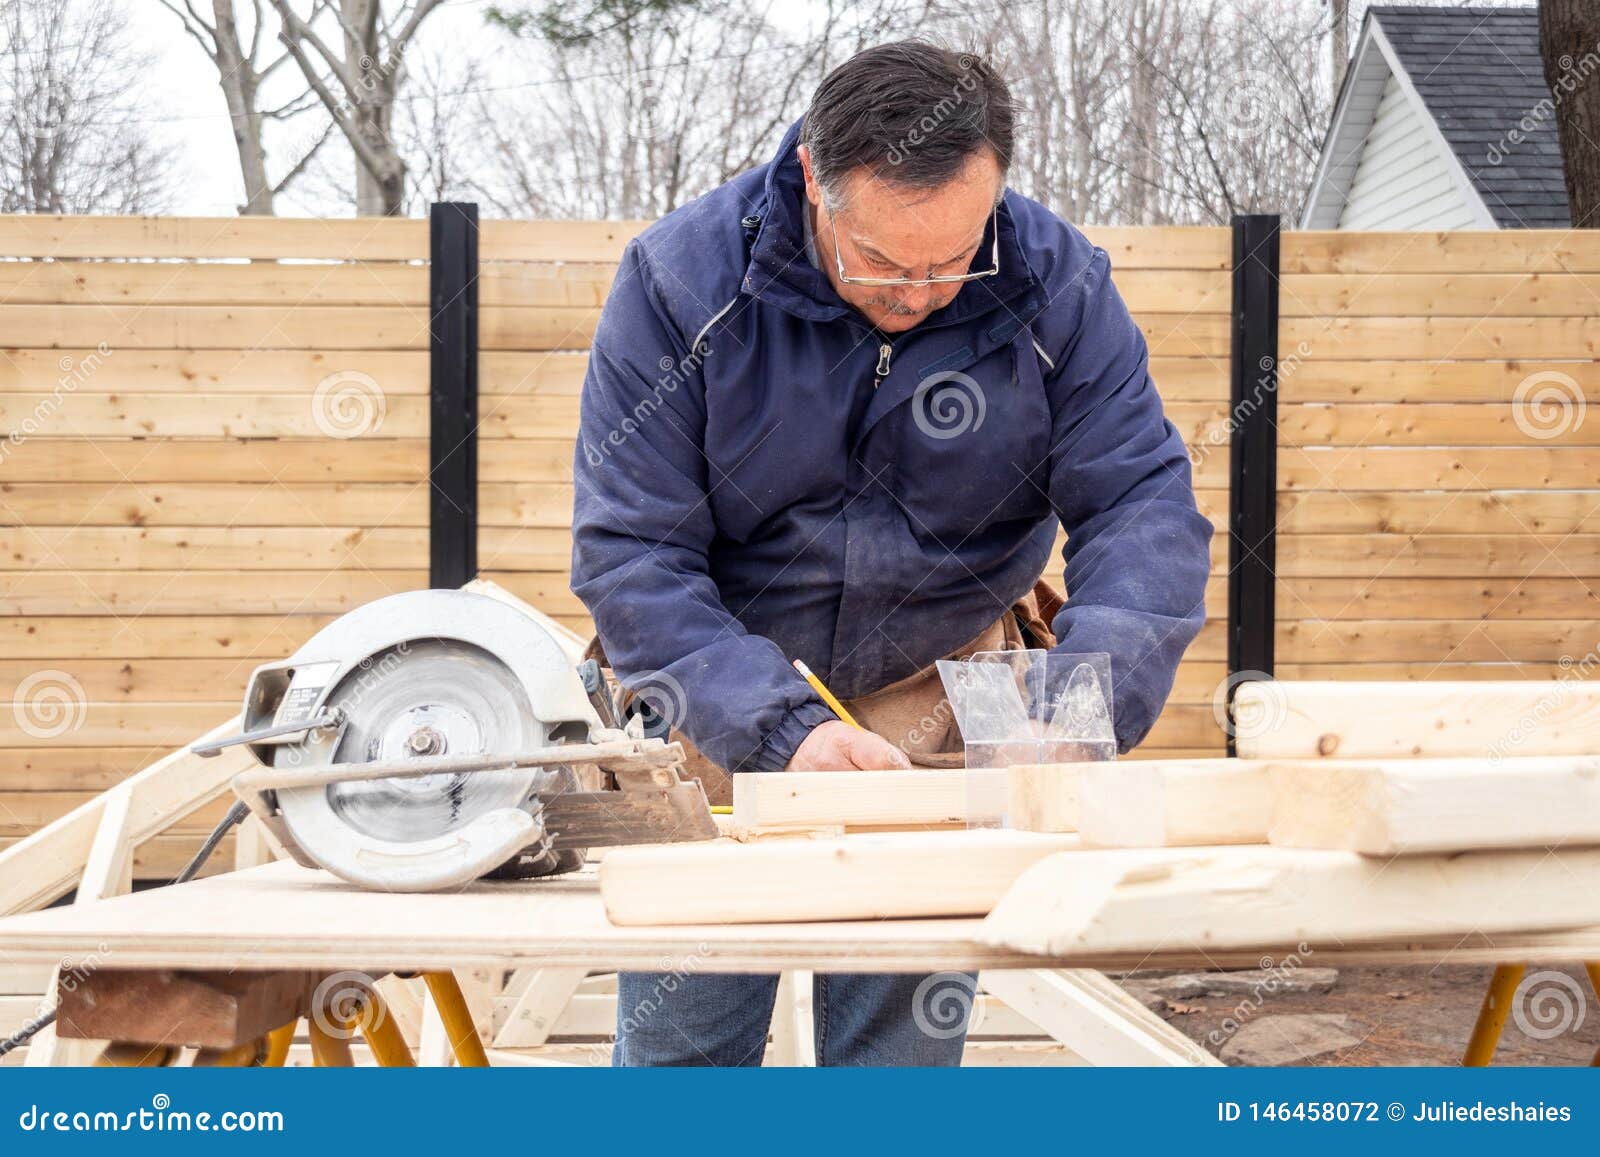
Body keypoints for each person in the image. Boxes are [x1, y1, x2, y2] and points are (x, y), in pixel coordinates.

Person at [571, 40, 1213, 1066]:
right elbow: (631, 552)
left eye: (952, 260)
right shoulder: (680, 282)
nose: (918, 294)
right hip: (725, 681)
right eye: (882, 261)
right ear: (814, 187)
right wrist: (782, 734)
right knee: (684, 1047)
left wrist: (1084, 702)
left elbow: (1142, 500)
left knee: (898, 1065)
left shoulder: (1056, 284)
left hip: (939, 691)